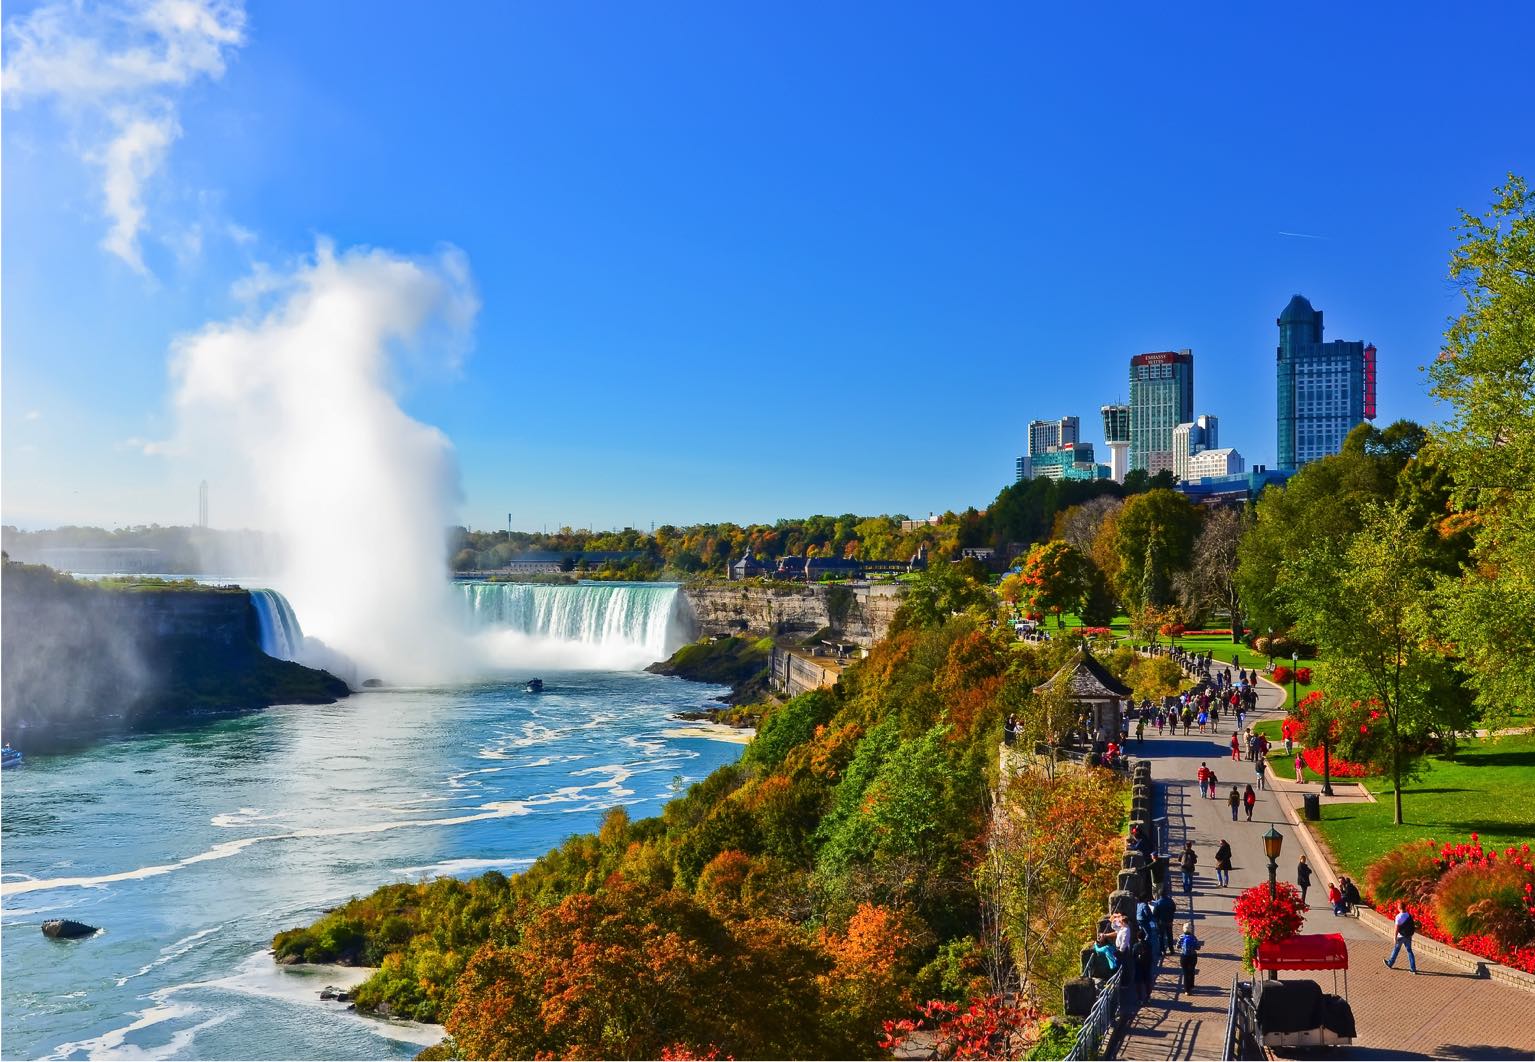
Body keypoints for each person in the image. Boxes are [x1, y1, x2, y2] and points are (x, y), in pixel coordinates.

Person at [1384, 901, 1418, 973]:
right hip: (1408, 936)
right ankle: (1413, 968)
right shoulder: (1408, 915)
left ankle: (1390, 963)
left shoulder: (1398, 917)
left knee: (1396, 949)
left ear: (1399, 908)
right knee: (1409, 951)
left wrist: (1395, 937)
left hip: (1401, 936)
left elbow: (1396, 929)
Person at [1176, 921, 1201, 992]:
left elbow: (1177, 946)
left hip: (1184, 956)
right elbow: (1198, 947)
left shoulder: (1181, 937)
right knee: (1192, 970)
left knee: (1185, 973)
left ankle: (1187, 990)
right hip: (1192, 956)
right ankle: (1191, 985)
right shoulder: (1193, 937)